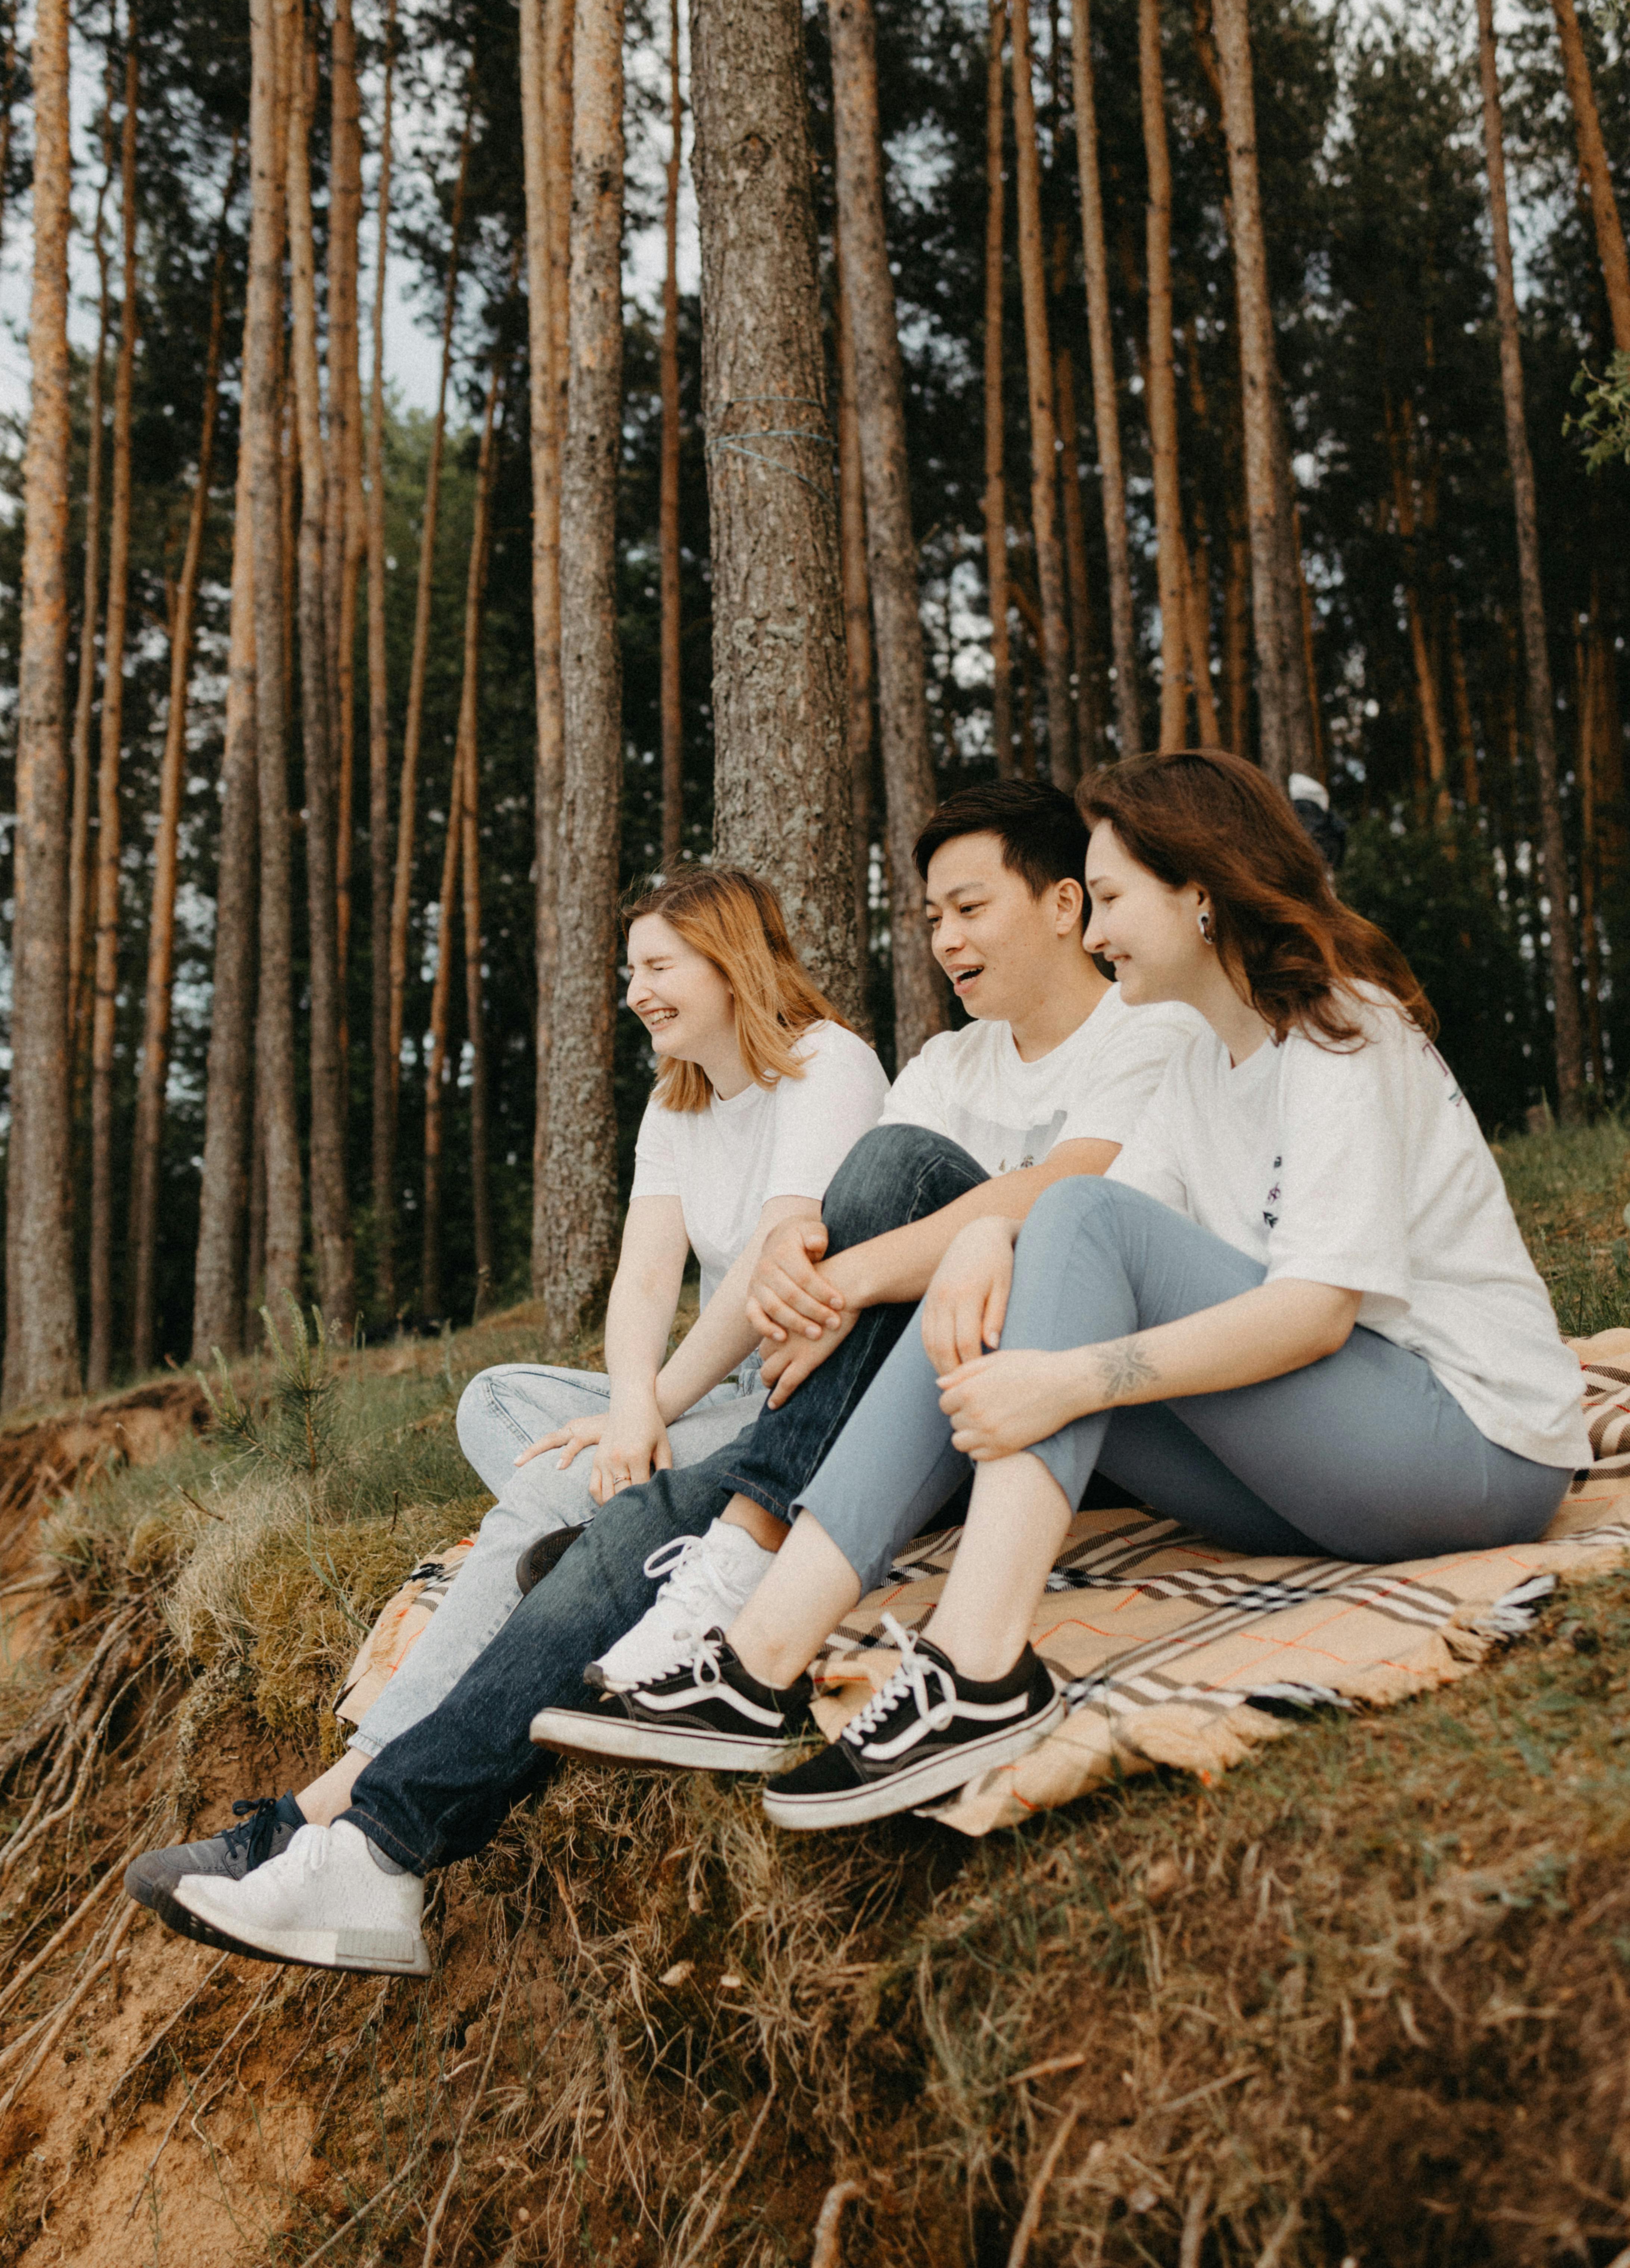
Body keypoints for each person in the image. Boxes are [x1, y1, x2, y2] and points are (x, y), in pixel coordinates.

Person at [144, 783, 1200, 1975]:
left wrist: (841, 1281)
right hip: (885, 1399)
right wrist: (787, 1288)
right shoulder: (946, 1064)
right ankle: (378, 1855)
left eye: (970, 909)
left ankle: (712, 1559)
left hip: (1026, 1412)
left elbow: (1056, 1195)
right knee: (611, 1511)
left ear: (1064, 906)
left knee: (881, 1185)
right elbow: (791, 1244)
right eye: (930, 918)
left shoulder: (1146, 1033)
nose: (945, 940)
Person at [533, 749, 1586, 1829]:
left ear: (1202, 895)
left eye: (1113, 899)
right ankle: (756, 1666)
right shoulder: (1198, 1067)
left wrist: (1075, 1376)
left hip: (1473, 1453)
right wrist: (987, 1244)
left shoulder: (1337, 1029)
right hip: (1316, 1481)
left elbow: (1312, 1314)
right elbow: (1090, 1246)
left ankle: (978, 1666)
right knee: (1015, 1270)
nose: (1095, 930)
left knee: (1069, 1227)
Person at [126, 863, 887, 1946]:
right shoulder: (677, 1102)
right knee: (499, 1398)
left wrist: (647, 1409)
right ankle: (611, 1517)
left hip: (794, 1392)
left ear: (731, 962)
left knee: (535, 1491)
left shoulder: (827, 1065)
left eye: (659, 966)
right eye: (632, 970)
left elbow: (776, 1258)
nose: (637, 992)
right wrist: (633, 1404)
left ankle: (324, 1806)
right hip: (705, 1396)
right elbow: (643, 1277)